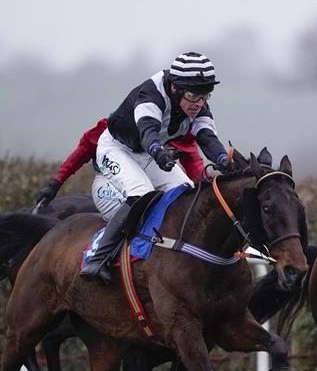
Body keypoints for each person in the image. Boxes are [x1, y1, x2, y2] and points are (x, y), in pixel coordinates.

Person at [45, 52, 230, 285]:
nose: (199, 103)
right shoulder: (151, 94)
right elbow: (148, 132)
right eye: (193, 94)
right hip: (116, 148)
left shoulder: (198, 106)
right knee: (141, 193)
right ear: (175, 87)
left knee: (184, 190)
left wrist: (225, 160)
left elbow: (208, 139)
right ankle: (98, 258)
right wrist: (158, 152)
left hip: (146, 152)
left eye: (205, 95)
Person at [35, 120, 207, 209]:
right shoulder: (119, 123)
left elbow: (197, 172)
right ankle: (101, 256)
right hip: (110, 180)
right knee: (142, 206)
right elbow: (82, 151)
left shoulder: (186, 133)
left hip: (150, 179)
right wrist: (56, 182)